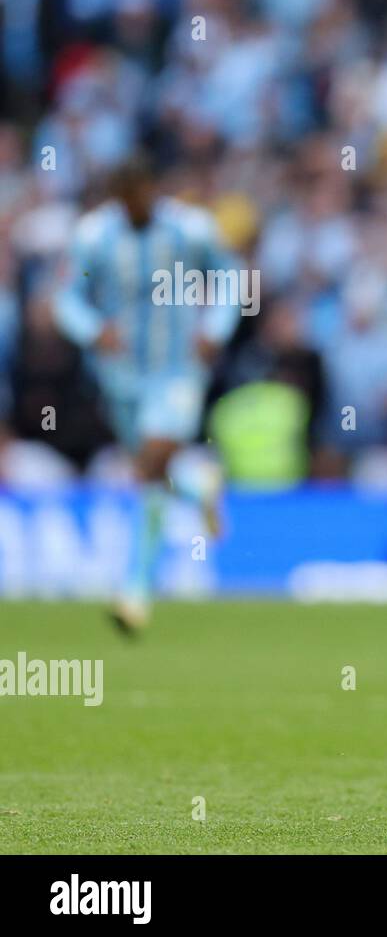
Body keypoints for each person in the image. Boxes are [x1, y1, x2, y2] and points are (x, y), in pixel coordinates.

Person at [55, 155, 241, 634]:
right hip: (120, 378)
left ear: (151, 189)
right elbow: (66, 298)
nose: (134, 204)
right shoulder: (94, 235)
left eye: (139, 193)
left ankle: (136, 589)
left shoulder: (190, 228)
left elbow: (232, 275)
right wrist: (93, 329)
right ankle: (199, 485)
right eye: (125, 196)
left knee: (151, 464)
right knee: (152, 474)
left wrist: (216, 327)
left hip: (178, 371)